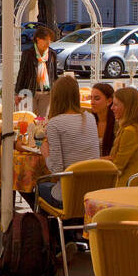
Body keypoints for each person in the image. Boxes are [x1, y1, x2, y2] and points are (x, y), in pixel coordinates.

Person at [37, 74, 101, 209]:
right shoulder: (90, 118)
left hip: (68, 195)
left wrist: (45, 153)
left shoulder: (55, 124)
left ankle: (49, 229)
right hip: (92, 193)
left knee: (39, 187)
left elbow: (56, 169)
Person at [107, 86, 138, 185]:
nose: (112, 108)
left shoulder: (130, 131)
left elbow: (117, 166)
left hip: (128, 184)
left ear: (127, 107)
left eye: (116, 104)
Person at [15, 23, 58, 120]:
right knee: (30, 120)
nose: (48, 43)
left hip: (46, 94)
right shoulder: (28, 53)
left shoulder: (52, 54)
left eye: (50, 40)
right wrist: (17, 92)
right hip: (30, 92)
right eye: (46, 40)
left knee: (42, 121)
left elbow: (54, 75)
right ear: (38, 39)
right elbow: (22, 73)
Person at [89, 81, 117, 158]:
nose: (92, 102)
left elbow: (116, 157)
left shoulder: (116, 124)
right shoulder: (89, 121)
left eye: (97, 99)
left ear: (109, 101)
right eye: (91, 98)